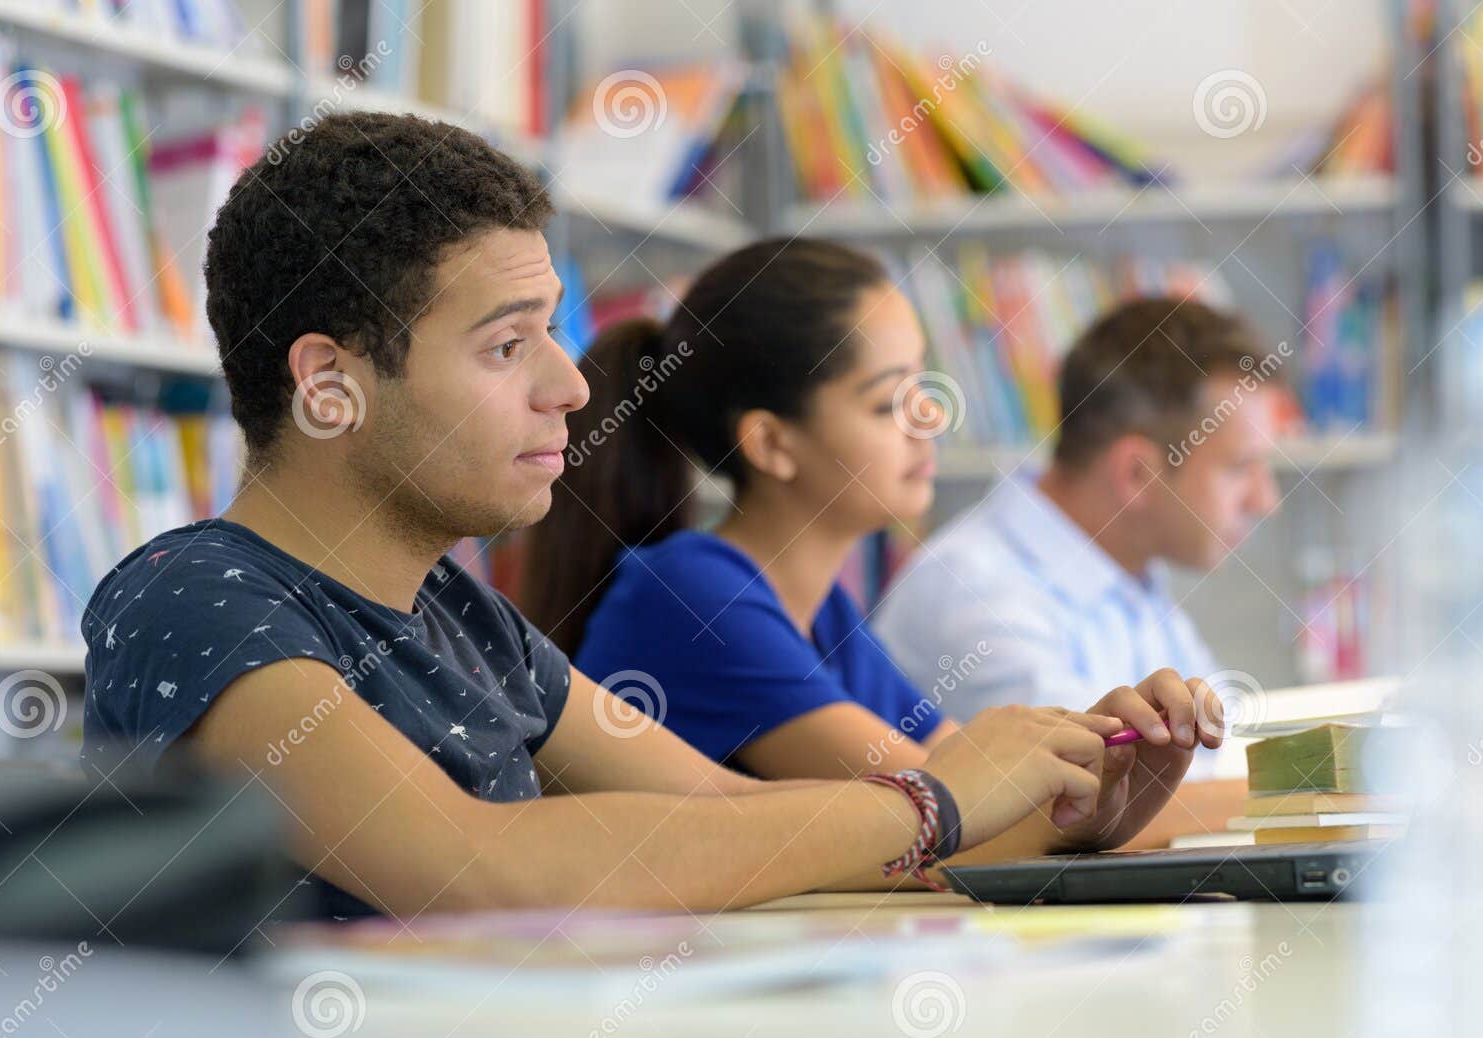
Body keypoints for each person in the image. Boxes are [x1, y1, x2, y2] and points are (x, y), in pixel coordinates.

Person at [80, 112, 1219, 920]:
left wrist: (1084, 811)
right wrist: (934, 798)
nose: (570, 388)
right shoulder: (193, 600)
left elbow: (749, 821)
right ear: (330, 382)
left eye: (555, 334)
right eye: (506, 344)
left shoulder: (464, 624)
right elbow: (466, 867)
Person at [526, 238, 1219, 867]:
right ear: (771, 444)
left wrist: (1127, 766)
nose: (930, 419)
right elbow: (949, 824)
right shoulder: (696, 594)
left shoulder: (822, 609)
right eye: (889, 402)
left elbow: (988, 805)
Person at [875, 298, 1283, 846]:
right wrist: (1330, 794)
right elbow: (1078, 811)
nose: (1266, 499)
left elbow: (1220, 757)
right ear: (1137, 474)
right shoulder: (974, 591)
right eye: (1241, 468)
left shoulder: (1128, 576)